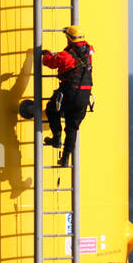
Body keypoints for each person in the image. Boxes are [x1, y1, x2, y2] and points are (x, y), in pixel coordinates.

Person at [41, 26, 94, 167]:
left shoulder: (66, 56)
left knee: (52, 110)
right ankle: (65, 159)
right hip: (85, 95)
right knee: (72, 127)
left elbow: (49, 62)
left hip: (69, 91)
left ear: (69, 39)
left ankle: (56, 138)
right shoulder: (89, 51)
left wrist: (46, 54)